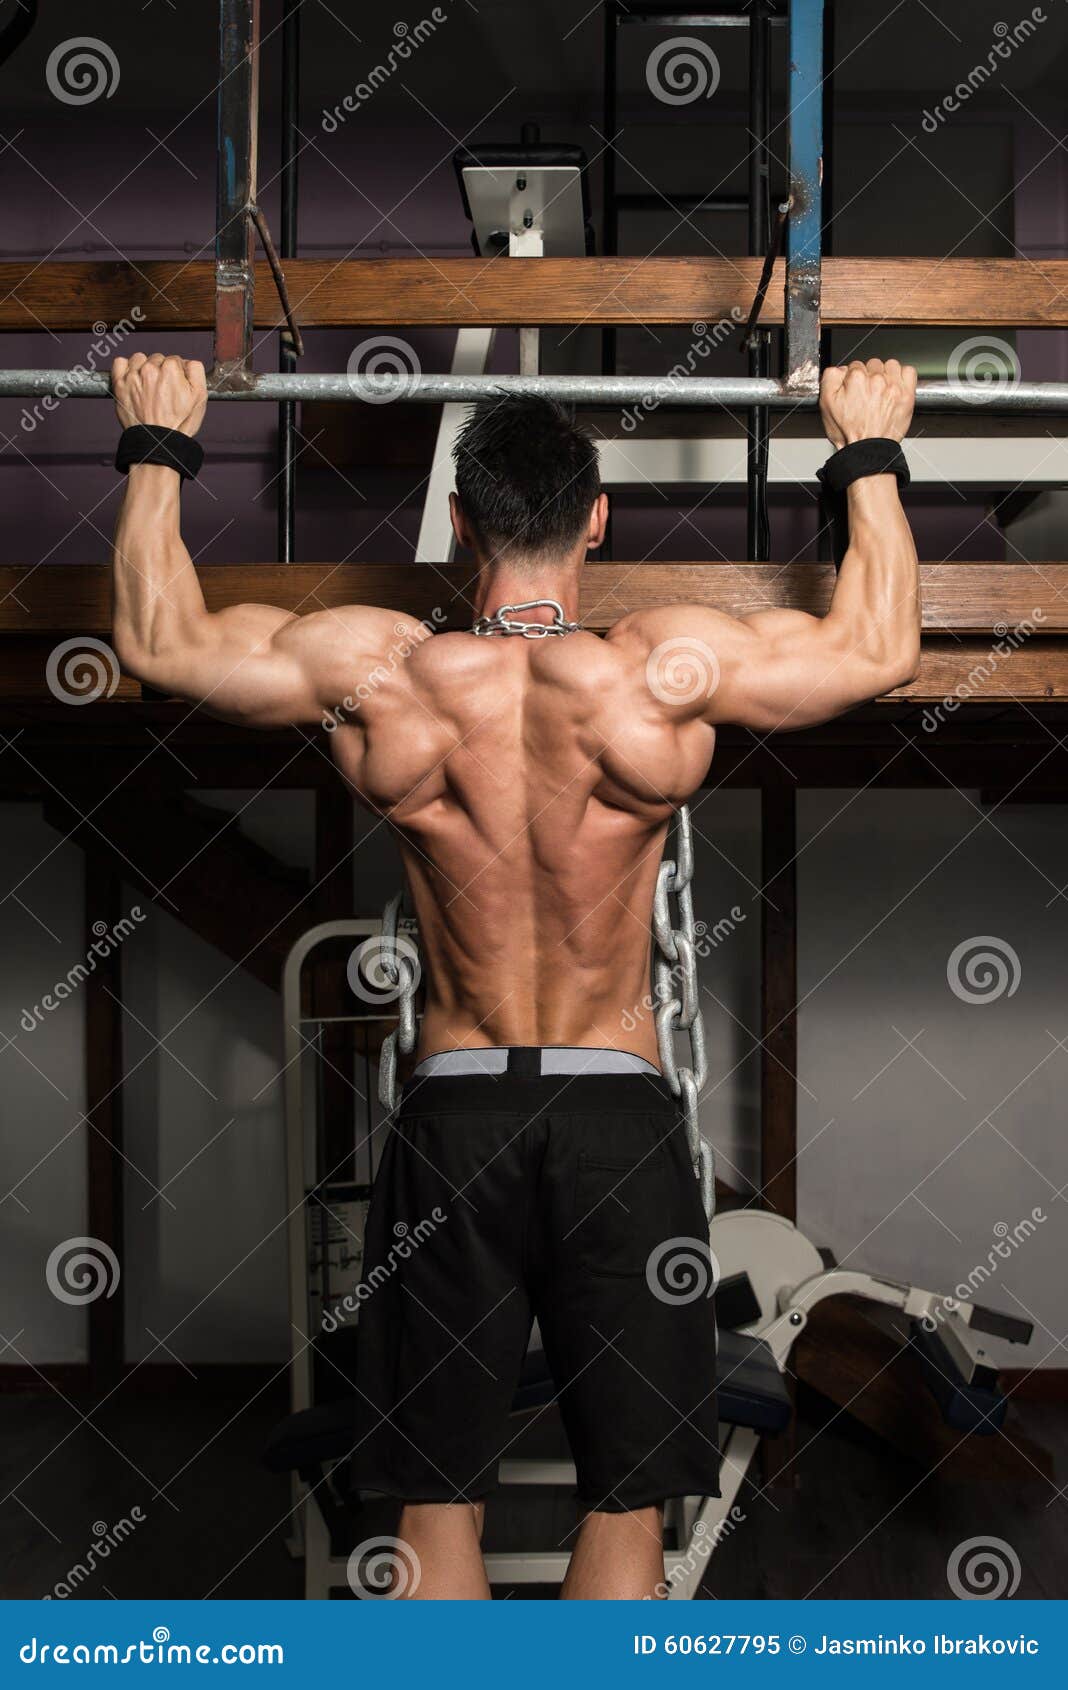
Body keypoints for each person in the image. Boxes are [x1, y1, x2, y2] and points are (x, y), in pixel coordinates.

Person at [110, 352, 920, 1600]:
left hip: (456, 1115)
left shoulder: (385, 673)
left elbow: (159, 642)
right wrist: (863, 449)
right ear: (598, 517)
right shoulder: (661, 670)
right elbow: (879, 649)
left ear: (456, 520)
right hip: (616, 1115)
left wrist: (158, 442)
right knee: (627, 1508)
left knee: (433, 1507)